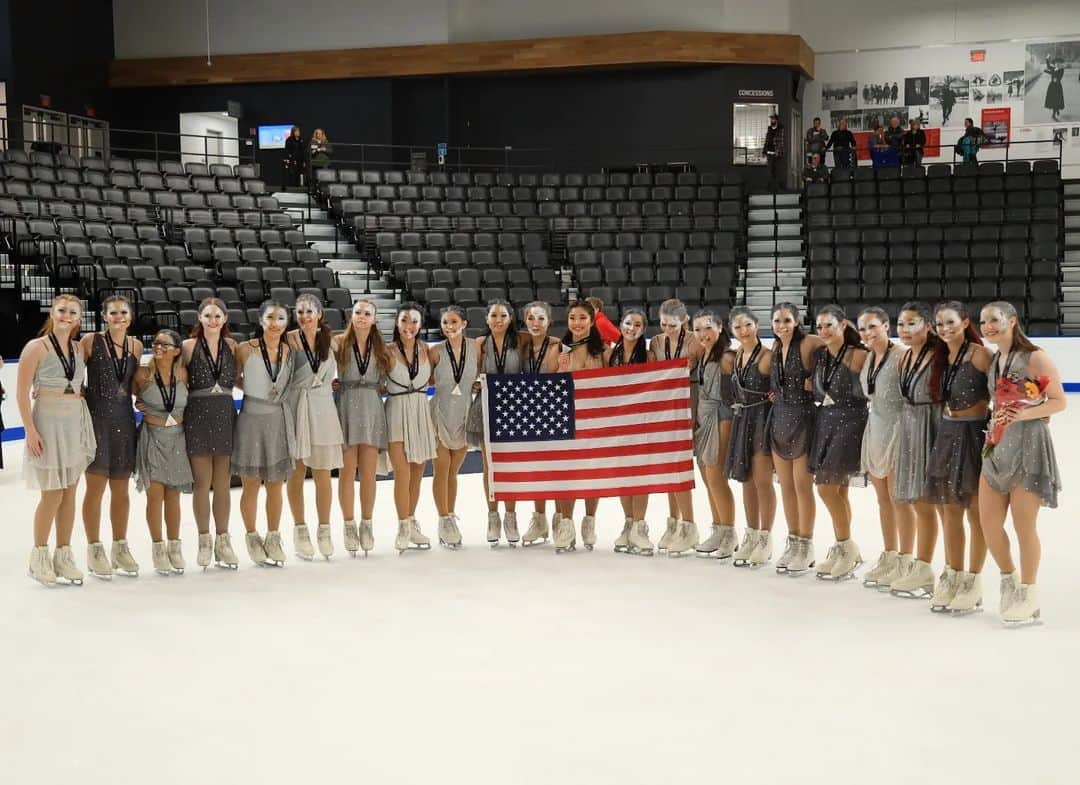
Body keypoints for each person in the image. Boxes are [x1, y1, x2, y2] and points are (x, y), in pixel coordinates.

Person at [978, 301, 1064, 626]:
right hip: (997, 444)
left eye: (994, 320)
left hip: (1029, 445)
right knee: (988, 524)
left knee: (1024, 526)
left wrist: (1021, 414)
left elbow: (1059, 401)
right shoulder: (996, 359)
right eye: (983, 321)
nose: (988, 326)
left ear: (1012, 321)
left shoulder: (1035, 356)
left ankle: (1029, 594)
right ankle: (1009, 580)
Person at [20, 294, 97, 586]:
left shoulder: (78, 349)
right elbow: (20, 394)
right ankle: (39, 556)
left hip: (74, 421)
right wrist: (30, 430)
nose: (66, 316)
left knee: (69, 493)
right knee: (52, 494)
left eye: (72, 312)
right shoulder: (35, 348)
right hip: (47, 423)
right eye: (62, 310)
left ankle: (63, 556)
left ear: (79, 318)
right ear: (52, 313)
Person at [924, 302, 992, 613]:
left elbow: (1004, 390)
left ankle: (972, 580)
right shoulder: (940, 357)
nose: (944, 328)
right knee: (949, 511)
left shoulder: (979, 355)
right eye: (939, 324)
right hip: (947, 433)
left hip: (975, 435)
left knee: (976, 514)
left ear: (965, 322)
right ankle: (952, 572)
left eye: (950, 322)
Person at [80, 295, 142, 579]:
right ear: (104, 316)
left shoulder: (136, 346)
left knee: (121, 490)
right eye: (113, 312)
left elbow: (134, 385)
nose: (119, 317)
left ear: (131, 316)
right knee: (95, 489)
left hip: (125, 421)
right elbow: (72, 372)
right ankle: (94, 548)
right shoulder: (91, 341)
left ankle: (120, 546)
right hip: (97, 422)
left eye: (124, 312)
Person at [888, 302, 945, 599]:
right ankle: (922, 568)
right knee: (917, 501)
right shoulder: (904, 356)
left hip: (935, 426)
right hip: (910, 427)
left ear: (927, 325)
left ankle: (945, 569)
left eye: (912, 323)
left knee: (938, 504)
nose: (905, 330)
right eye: (901, 324)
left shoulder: (940, 355)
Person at [807, 306, 868, 581]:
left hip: (851, 421)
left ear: (843, 324)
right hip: (826, 421)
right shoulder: (820, 356)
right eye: (819, 327)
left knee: (826, 489)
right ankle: (844, 547)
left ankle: (846, 546)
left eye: (829, 325)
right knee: (839, 491)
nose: (824, 331)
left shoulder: (858, 355)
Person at [233, 300, 295, 566]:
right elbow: (234, 378)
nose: (274, 323)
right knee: (251, 484)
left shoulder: (290, 351)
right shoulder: (245, 349)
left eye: (280, 318)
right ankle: (251, 536)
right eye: (270, 317)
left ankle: (273, 536)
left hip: (277, 418)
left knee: (275, 485)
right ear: (260, 321)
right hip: (251, 418)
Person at [856, 307, 913, 591]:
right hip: (876, 429)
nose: (867, 333)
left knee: (899, 499)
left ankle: (906, 560)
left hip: (898, 431)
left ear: (886, 326)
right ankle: (890, 555)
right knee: (883, 501)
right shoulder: (868, 356)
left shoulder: (902, 355)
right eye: (863, 329)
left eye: (872, 327)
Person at [285, 294, 345, 560]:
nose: (305, 316)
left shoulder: (331, 341)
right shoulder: (289, 340)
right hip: (296, 406)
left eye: (309, 311)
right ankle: (300, 530)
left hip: (323, 408)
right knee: (296, 472)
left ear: (320, 313)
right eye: (300, 312)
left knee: (322, 472)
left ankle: (324, 529)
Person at [182, 297, 240, 569]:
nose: (213, 321)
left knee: (223, 483)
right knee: (202, 483)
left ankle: (223, 540)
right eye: (208, 316)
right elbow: (173, 377)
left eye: (218, 316)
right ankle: (204, 540)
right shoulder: (188, 346)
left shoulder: (231, 345)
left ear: (225, 319)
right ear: (200, 318)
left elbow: (241, 378)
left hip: (225, 412)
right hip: (198, 413)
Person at [768, 302, 824, 575]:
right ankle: (792, 541)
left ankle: (806, 544)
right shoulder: (776, 348)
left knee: (803, 486)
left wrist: (817, 378)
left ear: (797, 321)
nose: (781, 325)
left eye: (787, 320)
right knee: (786, 486)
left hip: (802, 419)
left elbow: (835, 345)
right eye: (777, 321)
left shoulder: (810, 343)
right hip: (779, 419)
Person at [133, 329, 193, 576]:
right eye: (156, 343)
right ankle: (158, 547)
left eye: (165, 344)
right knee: (155, 496)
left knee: (173, 497)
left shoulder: (182, 373)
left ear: (177, 350)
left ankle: (174, 546)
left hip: (177, 439)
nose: (159, 347)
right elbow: (125, 395)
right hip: (153, 437)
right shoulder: (142, 374)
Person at [466, 300, 523, 547]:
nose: (498, 320)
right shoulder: (480, 343)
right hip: (487, 404)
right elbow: (471, 375)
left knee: (510, 465)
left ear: (510, 318)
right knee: (490, 465)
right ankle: (493, 516)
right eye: (493, 315)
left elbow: (550, 344)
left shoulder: (521, 341)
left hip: (513, 407)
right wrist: (475, 383)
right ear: (487, 319)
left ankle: (510, 516)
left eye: (503, 315)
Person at [336, 299, 390, 557]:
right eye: (358, 312)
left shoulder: (382, 348)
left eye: (367, 313)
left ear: (374, 318)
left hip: (371, 407)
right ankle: (349, 525)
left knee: (368, 473)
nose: (361, 317)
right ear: (351, 314)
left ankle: (366, 524)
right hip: (346, 406)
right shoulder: (338, 343)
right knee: (347, 472)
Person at [553, 300, 607, 553]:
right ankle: (566, 523)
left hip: (594, 420)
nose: (576, 322)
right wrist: (559, 373)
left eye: (582, 318)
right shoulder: (560, 349)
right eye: (572, 317)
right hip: (566, 417)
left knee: (591, 471)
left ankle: (589, 522)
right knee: (566, 472)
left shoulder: (604, 350)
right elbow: (547, 388)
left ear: (592, 319)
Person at [724, 307, 775, 567]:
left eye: (747, 325)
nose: (743, 331)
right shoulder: (736, 357)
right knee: (746, 480)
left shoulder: (766, 356)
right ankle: (751, 534)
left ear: (756, 325)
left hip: (762, 420)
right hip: (743, 419)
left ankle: (766, 538)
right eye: (737, 327)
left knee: (762, 480)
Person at [653, 299, 705, 555]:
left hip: (691, 398)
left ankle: (689, 524)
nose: (667, 329)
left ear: (685, 320)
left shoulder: (696, 340)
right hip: (666, 404)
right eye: (663, 323)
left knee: (682, 464)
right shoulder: (656, 342)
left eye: (672, 325)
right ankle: (673, 523)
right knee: (670, 465)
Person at [386, 303, 438, 553]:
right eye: (405, 320)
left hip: (420, 410)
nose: (409, 326)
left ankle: (411, 519)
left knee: (418, 471)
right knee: (402, 472)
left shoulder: (426, 350)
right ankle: (403, 526)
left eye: (414, 321)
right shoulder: (386, 351)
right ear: (397, 323)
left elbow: (437, 378)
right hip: (396, 411)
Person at [608, 308, 660, 556]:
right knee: (622, 475)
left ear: (643, 329)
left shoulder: (648, 356)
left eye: (637, 324)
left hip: (641, 423)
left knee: (639, 475)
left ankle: (640, 526)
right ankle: (628, 523)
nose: (632, 328)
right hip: (616, 424)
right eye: (628, 323)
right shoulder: (610, 354)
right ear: (621, 324)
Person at [429, 305, 479, 549]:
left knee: (453, 472)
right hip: (440, 411)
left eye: (453, 322)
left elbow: (479, 374)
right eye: (445, 322)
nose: (449, 327)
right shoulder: (436, 351)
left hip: (464, 412)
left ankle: (450, 516)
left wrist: (478, 385)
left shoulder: (476, 347)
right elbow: (426, 379)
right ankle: (443, 519)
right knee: (442, 467)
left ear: (464, 324)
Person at [690, 309, 738, 560]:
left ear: (720, 327)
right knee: (708, 479)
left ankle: (730, 533)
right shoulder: (703, 355)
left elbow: (735, 393)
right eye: (697, 329)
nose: (702, 334)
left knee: (716, 477)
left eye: (707, 328)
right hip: (703, 417)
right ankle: (718, 528)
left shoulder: (728, 357)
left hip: (721, 417)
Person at [518, 301, 563, 547]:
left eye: (541, 319)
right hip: (530, 413)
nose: (536, 323)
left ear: (549, 321)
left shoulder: (559, 346)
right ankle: (539, 519)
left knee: (555, 468)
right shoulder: (522, 346)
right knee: (537, 469)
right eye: (531, 318)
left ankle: (559, 519)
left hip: (554, 412)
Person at [763, 113, 785, 192]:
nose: (772, 120)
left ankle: (777, 188)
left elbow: (781, 142)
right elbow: (767, 140)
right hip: (769, 153)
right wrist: (764, 150)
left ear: (776, 120)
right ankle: (770, 188)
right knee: (769, 172)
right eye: (771, 119)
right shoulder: (769, 129)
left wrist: (777, 151)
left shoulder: (780, 129)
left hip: (777, 154)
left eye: (773, 119)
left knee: (777, 171)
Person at [1043, 58, 1065, 122]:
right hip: (1052, 86)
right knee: (1053, 100)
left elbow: (1058, 76)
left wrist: (1048, 71)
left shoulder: (1061, 70)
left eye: (1059, 63)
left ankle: (1054, 114)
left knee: (1056, 100)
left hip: (1057, 87)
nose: (1057, 64)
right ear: (1054, 64)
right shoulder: (1053, 68)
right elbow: (1049, 67)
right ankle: (1056, 109)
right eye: (1056, 63)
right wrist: (1047, 59)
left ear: (1060, 64)